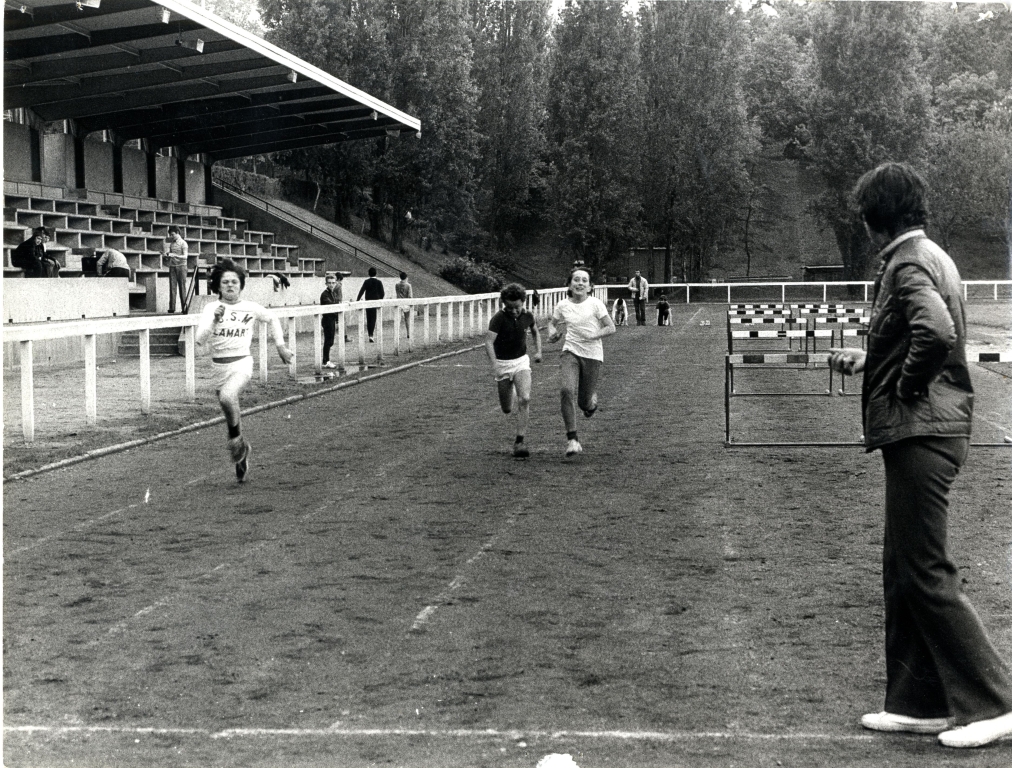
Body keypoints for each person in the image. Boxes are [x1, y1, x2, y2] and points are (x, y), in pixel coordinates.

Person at [828, 162, 1012, 749]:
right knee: (903, 567)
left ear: (873, 220)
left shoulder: (906, 262)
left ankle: (996, 703)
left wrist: (905, 389)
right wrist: (870, 361)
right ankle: (919, 703)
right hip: (930, 431)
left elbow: (935, 333)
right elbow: (918, 331)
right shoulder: (931, 255)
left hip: (924, 432)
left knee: (926, 570)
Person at [195, 259, 293, 482]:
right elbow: (199, 340)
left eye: (234, 282)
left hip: (242, 363)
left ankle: (237, 444)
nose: (230, 285)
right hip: (218, 366)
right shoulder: (211, 308)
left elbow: (273, 318)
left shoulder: (249, 307)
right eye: (225, 282)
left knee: (229, 397)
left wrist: (280, 346)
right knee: (228, 407)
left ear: (241, 285)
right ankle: (239, 449)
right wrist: (214, 321)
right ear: (218, 286)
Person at [547, 268, 616, 457]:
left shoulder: (595, 304)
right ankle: (572, 440)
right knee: (566, 390)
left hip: (593, 355)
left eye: (584, 281)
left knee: (584, 403)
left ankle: (590, 404)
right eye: (576, 280)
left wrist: (594, 335)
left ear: (590, 286)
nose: (580, 283)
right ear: (569, 284)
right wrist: (552, 332)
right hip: (570, 352)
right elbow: (552, 323)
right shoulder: (562, 305)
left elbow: (611, 327)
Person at [484, 283, 543, 458]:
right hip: (502, 364)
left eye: (517, 307)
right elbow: (488, 341)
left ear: (523, 302)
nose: (514, 311)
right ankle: (508, 394)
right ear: (504, 304)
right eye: (509, 307)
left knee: (524, 399)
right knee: (507, 408)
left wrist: (538, 351)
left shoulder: (528, 316)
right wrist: (494, 363)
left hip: (521, 362)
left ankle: (520, 441)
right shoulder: (498, 318)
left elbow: (535, 332)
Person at [163, 227, 189, 313]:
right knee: (172, 287)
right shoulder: (172, 244)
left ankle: (184, 307)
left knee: (182, 287)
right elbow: (171, 256)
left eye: (173, 234)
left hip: (181, 266)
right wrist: (167, 256)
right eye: (170, 235)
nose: (171, 236)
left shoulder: (183, 243)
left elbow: (185, 256)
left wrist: (174, 255)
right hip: (173, 266)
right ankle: (172, 307)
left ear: (178, 232)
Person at [356, 267, 385, 342]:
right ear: (376, 273)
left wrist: (357, 300)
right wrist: (380, 300)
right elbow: (382, 293)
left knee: (369, 319)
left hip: (367, 302)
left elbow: (361, 291)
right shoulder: (379, 282)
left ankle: (370, 335)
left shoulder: (366, 281)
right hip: (375, 302)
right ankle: (372, 335)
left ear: (368, 274)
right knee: (373, 318)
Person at [320, 273, 342, 369]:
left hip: (332, 320)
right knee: (328, 341)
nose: (331, 285)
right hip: (327, 320)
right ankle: (325, 361)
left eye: (333, 283)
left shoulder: (333, 293)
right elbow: (331, 305)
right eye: (329, 283)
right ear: (326, 283)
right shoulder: (325, 294)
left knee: (330, 341)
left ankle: (326, 360)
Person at [395, 272, 413, 339]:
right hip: (406, 303)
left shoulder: (397, 285)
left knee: (398, 319)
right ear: (406, 277)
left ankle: (397, 334)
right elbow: (410, 296)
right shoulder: (408, 285)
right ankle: (408, 333)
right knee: (407, 318)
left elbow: (397, 293)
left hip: (399, 303)